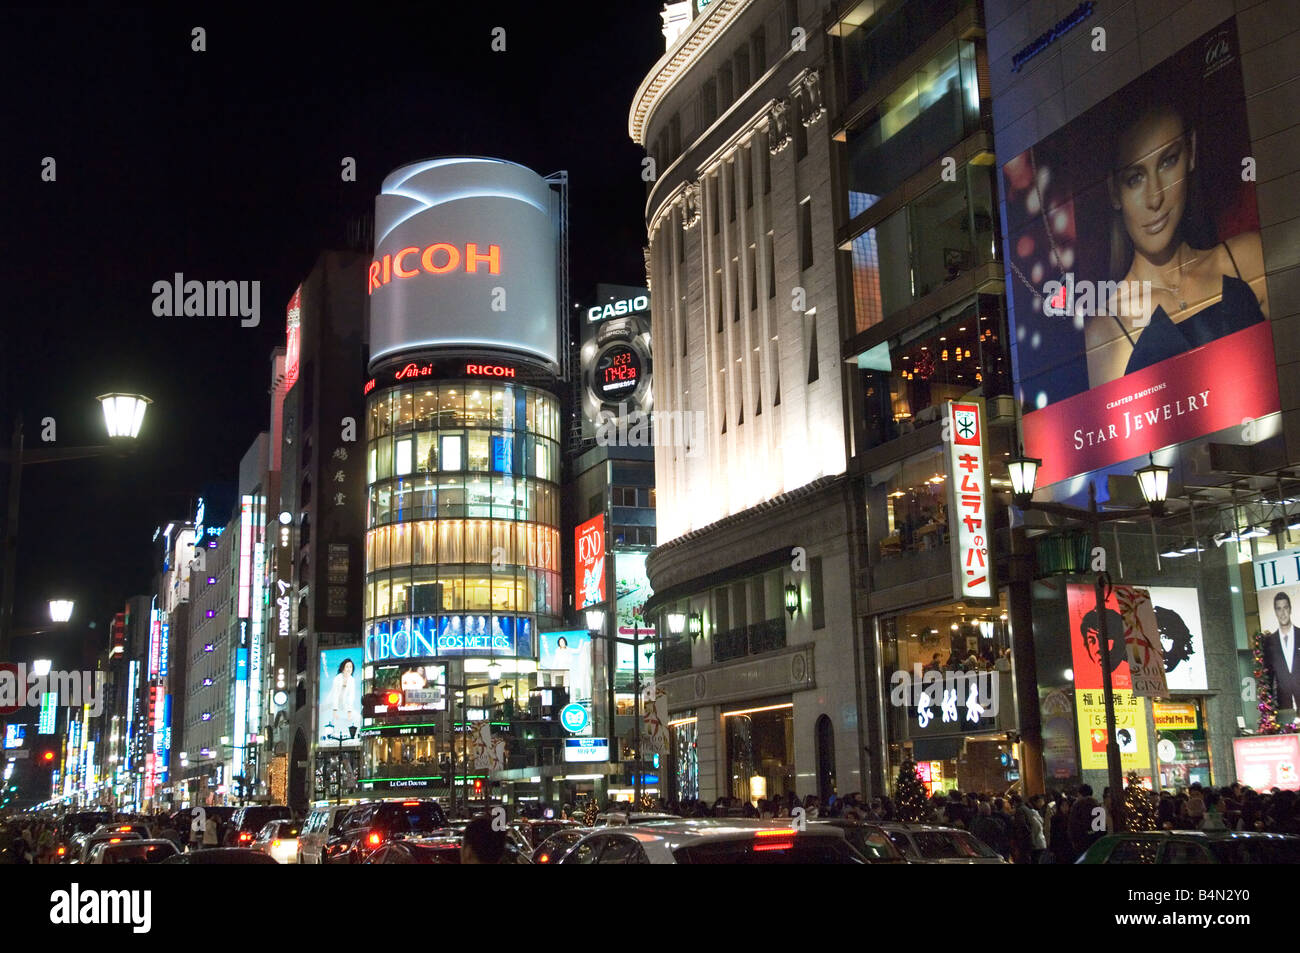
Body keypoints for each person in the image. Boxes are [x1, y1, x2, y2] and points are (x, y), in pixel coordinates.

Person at [1084, 98, 1268, 386]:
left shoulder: (1248, 259)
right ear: (1114, 192)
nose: (1155, 198)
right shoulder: (1106, 328)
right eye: (1135, 178)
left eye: (1168, 161)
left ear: (1191, 152)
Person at [1264, 591, 1300, 712]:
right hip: (1283, 706)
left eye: (1285, 608)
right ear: (1275, 612)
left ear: (1290, 609)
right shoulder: (1269, 642)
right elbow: (1268, 677)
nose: (1283, 613)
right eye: (1279, 609)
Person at [1068, 784, 1102, 857]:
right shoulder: (1097, 806)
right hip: (1096, 843)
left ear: (1080, 794)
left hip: (1081, 843)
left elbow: (1072, 826)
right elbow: (1102, 828)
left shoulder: (1077, 807)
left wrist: (1074, 841)